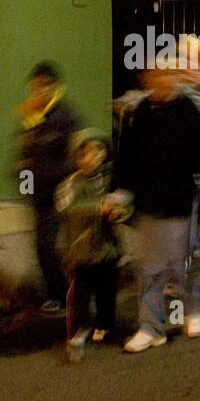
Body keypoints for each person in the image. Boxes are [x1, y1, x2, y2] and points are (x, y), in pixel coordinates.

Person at [105, 57, 200, 352]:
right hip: (149, 203)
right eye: (157, 74)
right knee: (148, 269)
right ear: (147, 78)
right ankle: (151, 327)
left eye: (169, 74)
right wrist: (119, 193)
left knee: (182, 264)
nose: (163, 80)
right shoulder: (138, 113)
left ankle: (193, 310)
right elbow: (125, 158)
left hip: (181, 201)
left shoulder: (186, 111)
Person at [16, 61, 81, 315]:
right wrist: (25, 185)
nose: (38, 91)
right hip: (38, 195)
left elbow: (75, 152)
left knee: (56, 245)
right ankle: (56, 293)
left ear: (54, 86)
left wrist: (65, 183)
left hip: (60, 193)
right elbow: (24, 153)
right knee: (42, 246)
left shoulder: (65, 116)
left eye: (44, 86)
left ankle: (70, 294)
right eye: (35, 87)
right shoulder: (30, 115)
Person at [57, 128, 123, 362]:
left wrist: (119, 210)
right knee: (80, 295)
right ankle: (76, 333)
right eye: (86, 153)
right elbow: (68, 207)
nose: (93, 156)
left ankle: (105, 324)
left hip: (107, 247)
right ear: (76, 157)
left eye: (98, 150)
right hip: (81, 251)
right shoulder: (71, 183)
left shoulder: (109, 178)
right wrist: (98, 207)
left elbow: (122, 201)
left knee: (107, 290)